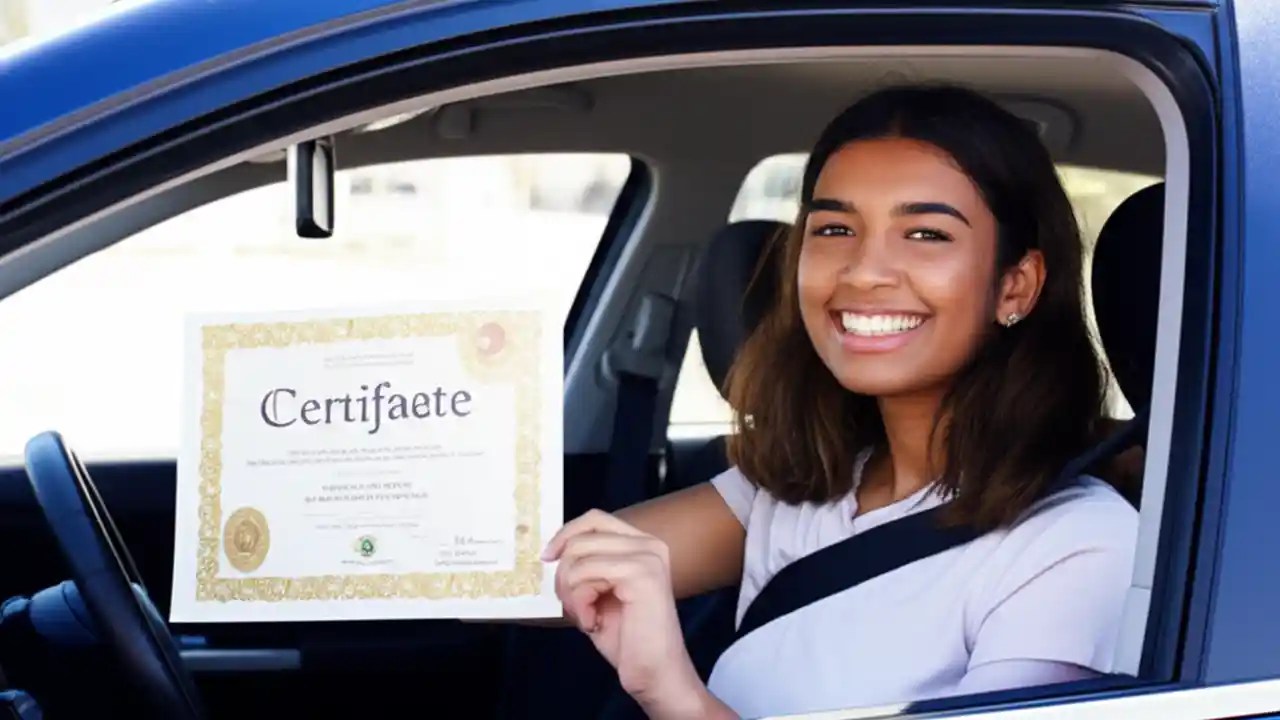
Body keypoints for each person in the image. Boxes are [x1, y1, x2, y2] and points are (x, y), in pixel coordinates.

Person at [541, 84, 1139, 719]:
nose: (862, 270)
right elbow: (538, 578)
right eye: (834, 228)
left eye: (927, 234)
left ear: (1015, 285)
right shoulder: (798, 489)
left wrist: (673, 693)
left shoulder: (1077, 547)